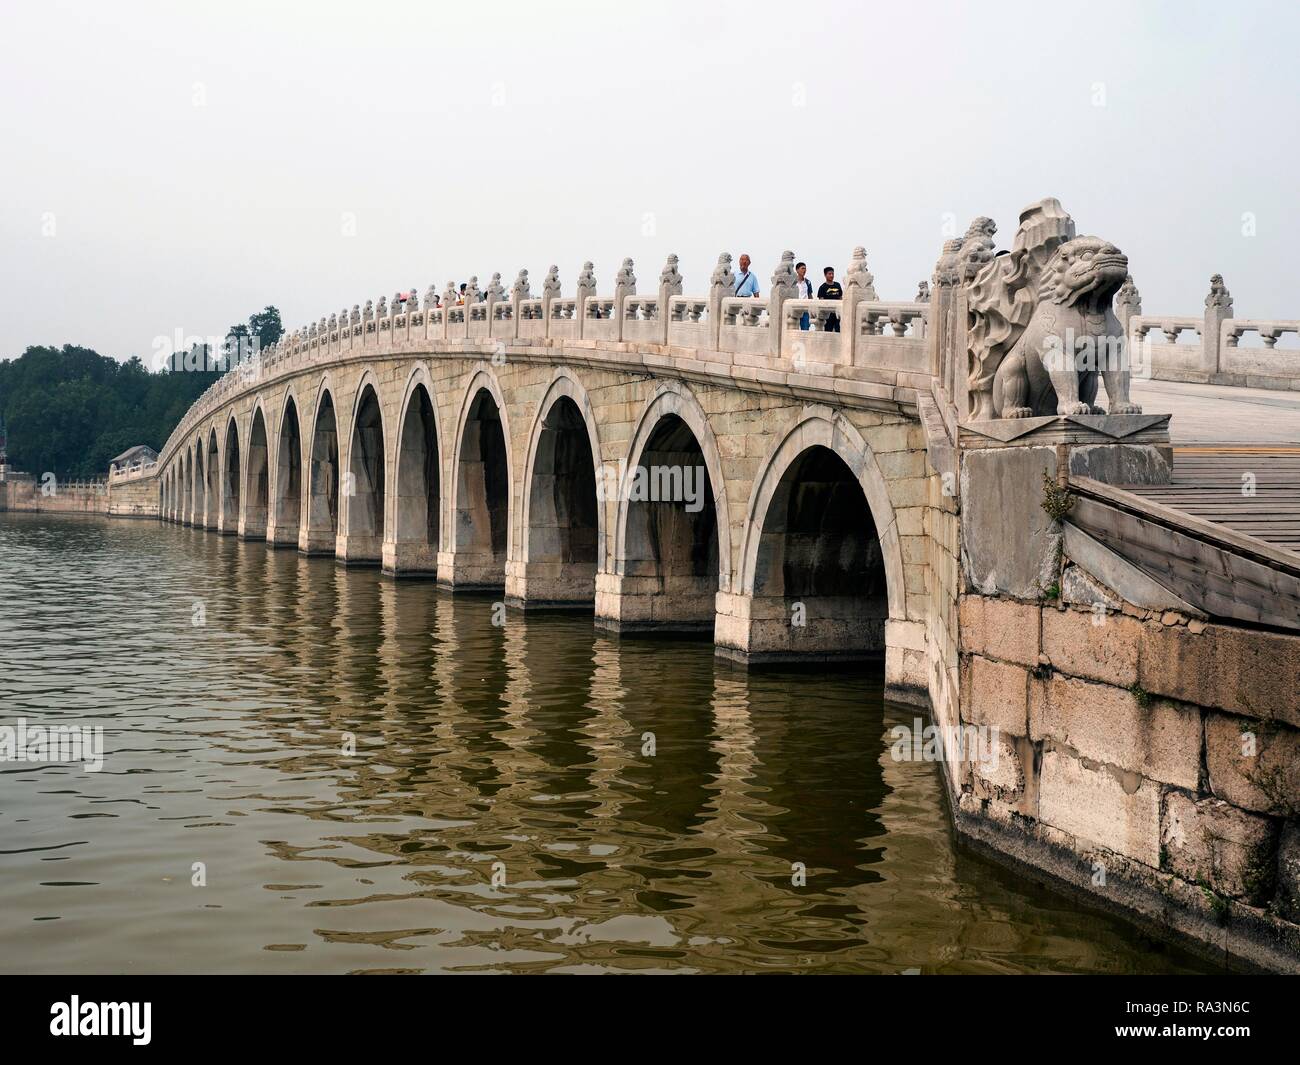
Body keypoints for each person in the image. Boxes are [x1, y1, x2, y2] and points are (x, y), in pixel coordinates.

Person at [817, 266, 843, 331]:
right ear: (825, 275)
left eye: (832, 274)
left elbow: (840, 298)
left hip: (837, 313)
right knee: (828, 330)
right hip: (828, 314)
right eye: (829, 274)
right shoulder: (822, 287)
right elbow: (821, 301)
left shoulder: (837, 285)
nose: (831, 275)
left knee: (838, 330)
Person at [794, 261, 813, 329]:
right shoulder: (793, 282)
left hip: (805, 308)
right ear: (797, 270)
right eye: (802, 268)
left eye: (805, 268)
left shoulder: (808, 282)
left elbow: (810, 295)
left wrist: (812, 307)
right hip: (795, 307)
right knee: (793, 328)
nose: (804, 270)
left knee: (805, 328)